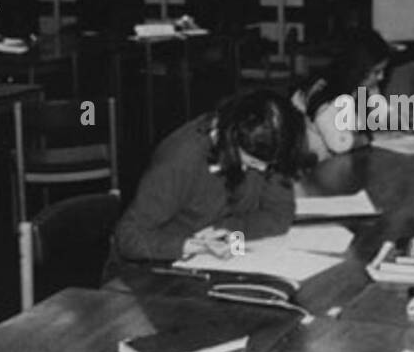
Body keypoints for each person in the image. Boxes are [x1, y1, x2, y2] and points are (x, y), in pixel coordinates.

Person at [104, 89, 309, 278]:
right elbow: (128, 237)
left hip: (212, 266)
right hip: (151, 272)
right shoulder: (182, 159)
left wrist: (229, 232)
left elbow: (279, 216)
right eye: (254, 162)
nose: (263, 171)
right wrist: (192, 245)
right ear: (232, 140)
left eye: (269, 165)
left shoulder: (271, 146)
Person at [291, 28, 392, 161]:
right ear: (358, 69)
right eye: (377, 72)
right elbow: (339, 144)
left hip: (344, 160)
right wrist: (370, 137)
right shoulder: (326, 94)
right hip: (317, 167)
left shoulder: (360, 87)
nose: (381, 77)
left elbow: (380, 120)